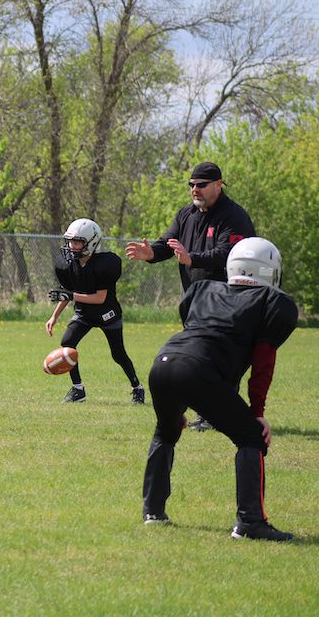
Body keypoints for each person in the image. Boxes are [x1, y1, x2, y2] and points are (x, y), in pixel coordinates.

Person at [141, 237, 297, 541]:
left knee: (166, 431)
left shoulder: (202, 289)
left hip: (163, 361)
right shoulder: (272, 302)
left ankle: (153, 512)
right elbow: (262, 365)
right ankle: (251, 522)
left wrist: (185, 401)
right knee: (251, 437)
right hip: (196, 369)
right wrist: (258, 413)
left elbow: (197, 334)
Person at [126, 161, 256, 430]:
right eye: (192, 185)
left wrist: (191, 258)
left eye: (201, 185)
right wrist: (151, 254)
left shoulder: (234, 216)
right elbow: (168, 243)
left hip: (227, 299)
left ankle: (216, 416)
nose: (195, 190)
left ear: (218, 185)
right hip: (195, 299)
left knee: (219, 359)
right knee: (199, 359)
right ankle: (209, 415)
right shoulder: (186, 214)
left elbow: (228, 254)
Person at [46, 218, 145, 404]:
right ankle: (78, 390)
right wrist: (54, 317)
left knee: (118, 354)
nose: (71, 246)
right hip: (84, 313)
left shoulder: (105, 263)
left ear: (90, 243)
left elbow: (99, 298)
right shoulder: (68, 265)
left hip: (106, 313)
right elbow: (67, 293)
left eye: (77, 242)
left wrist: (71, 296)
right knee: (67, 344)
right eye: (70, 241)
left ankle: (137, 388)